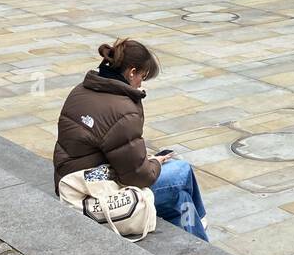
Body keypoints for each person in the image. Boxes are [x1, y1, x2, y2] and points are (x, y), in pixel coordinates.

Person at [53, 38, 208, 241]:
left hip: (71, 179)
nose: (141, 84)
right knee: (181, 172)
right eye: (142, 76)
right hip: (91, 193)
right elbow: (136, 176)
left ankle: (197, 242)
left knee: (180, 197)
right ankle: (202, 228)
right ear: (132, 72)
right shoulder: (123, 108)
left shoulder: (81, 90)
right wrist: (153, 163)